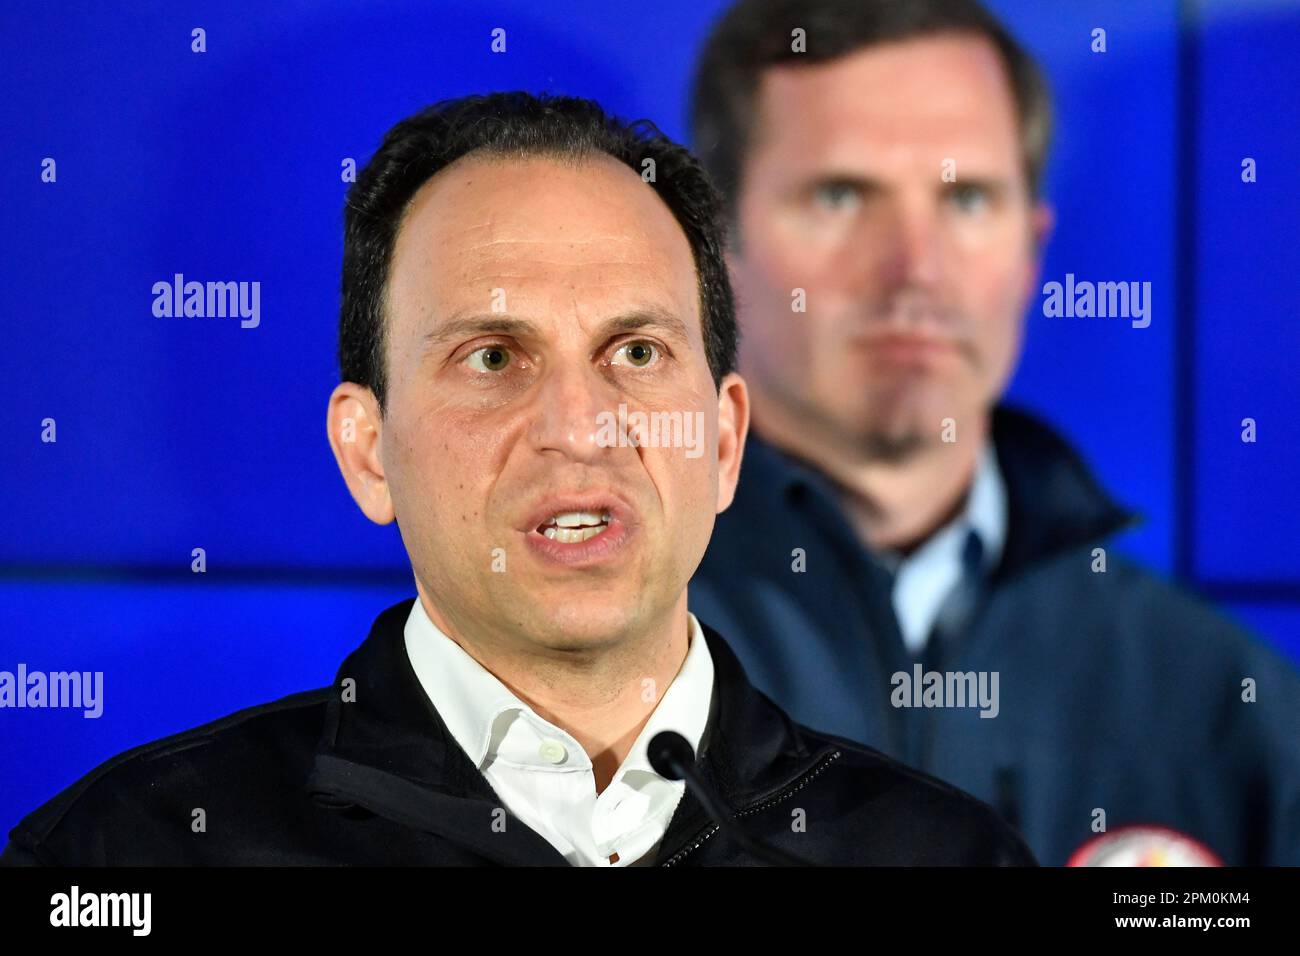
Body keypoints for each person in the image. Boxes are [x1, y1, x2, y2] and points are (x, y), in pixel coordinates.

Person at [0, 92, 1034, 867]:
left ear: (722, 442)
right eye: (493, 356)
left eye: (634, 353)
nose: (576, 429)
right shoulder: (128, 853)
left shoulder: (944, 855)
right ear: (369, 450)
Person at [687, 0, 1300, 866]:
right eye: (840, 195)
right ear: (717, 249)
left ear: (1030, 252)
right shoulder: (586, 655)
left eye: (966, 198)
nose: (916, 270)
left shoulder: (1226, 707)